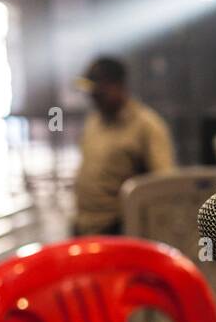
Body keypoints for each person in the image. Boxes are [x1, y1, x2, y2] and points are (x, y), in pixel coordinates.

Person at [74, 56, 175, 235]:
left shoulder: (147, 126)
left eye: (99, 92)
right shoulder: (94, 121)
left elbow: (164, 187)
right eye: (91, 93)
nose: (93, 99)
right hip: (85, 226)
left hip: (118, 229)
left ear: (118, 86)